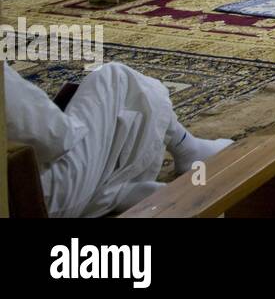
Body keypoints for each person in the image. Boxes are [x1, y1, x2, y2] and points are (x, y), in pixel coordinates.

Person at [4, 61, 233, 218]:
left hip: (20, 196)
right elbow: (56, 138)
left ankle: (120, 194)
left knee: (96, 129)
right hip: (31, 195)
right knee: (114, 78)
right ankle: (185, 147)